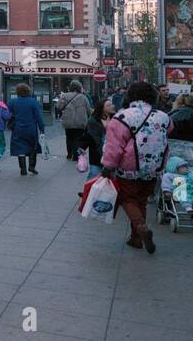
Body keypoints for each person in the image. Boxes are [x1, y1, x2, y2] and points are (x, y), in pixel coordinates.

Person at [101, 81, 170, 253]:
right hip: (154, 166)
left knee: (128, 199)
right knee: (142, 202)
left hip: (129, 167)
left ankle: (141, 228)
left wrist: (108, 166)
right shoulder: (163, 116)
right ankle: (136, 239)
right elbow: (168, 132)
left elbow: (113, 146)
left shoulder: (122, 117)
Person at [8, 83, 45, 176]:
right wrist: (42, 128)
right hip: (31, 129)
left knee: (20, 148)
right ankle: (32, 167)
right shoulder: (33, 101)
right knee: (33, 147)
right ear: (28, 91)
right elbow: (38, 116)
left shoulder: (13, 101)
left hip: (18, 129)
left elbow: (8, 114)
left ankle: (23, 169)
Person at [56, 80, 91, 160]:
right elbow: (88, 110)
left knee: (69, 137)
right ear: (79, 88)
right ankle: (76, 155)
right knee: (77, 138)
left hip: (68, 121)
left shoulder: (64, 96)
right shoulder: (83, 97)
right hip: (80, 121)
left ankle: (69, 154)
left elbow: (58, 107)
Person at [83, 97, 113, 180]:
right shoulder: (94, 121)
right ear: (102, 108)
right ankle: (88, 192)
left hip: (111, 155)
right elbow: (94, 139)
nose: (112, 106)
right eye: (108, 105)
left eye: (111, 104)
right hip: (97, 155)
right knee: (94, 177)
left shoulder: (115, 118)